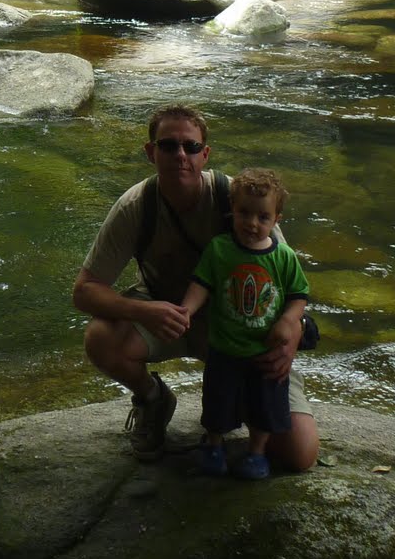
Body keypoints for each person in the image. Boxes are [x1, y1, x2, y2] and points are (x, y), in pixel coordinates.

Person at [71, 106, 318, 471]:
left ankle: (238, 412)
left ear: (205, 154)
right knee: (100, 338)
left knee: (298, 455)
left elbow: (289, 283)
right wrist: (143, 310)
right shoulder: (136, 206)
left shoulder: (243, 201)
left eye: (190, 146)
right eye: (168, 146)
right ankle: (153, 399)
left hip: (242, 328)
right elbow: (84, 291)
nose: (180, 155)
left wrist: (292, 332)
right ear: (150, 152)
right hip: (166, 317)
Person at [180, 168, 309, 479]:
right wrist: (185, 310)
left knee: (264, 405)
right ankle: (214, 446)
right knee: (217, 401)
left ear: (276, 219)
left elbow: (298, 296)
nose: (252, 223)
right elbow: (201, 285)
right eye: (244, 213)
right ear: (232, 210)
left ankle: (257, 453)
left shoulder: (284, 257)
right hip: (224, 348)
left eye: (263, 217)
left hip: (264, 351)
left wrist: (288, 321)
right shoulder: (219, 249)